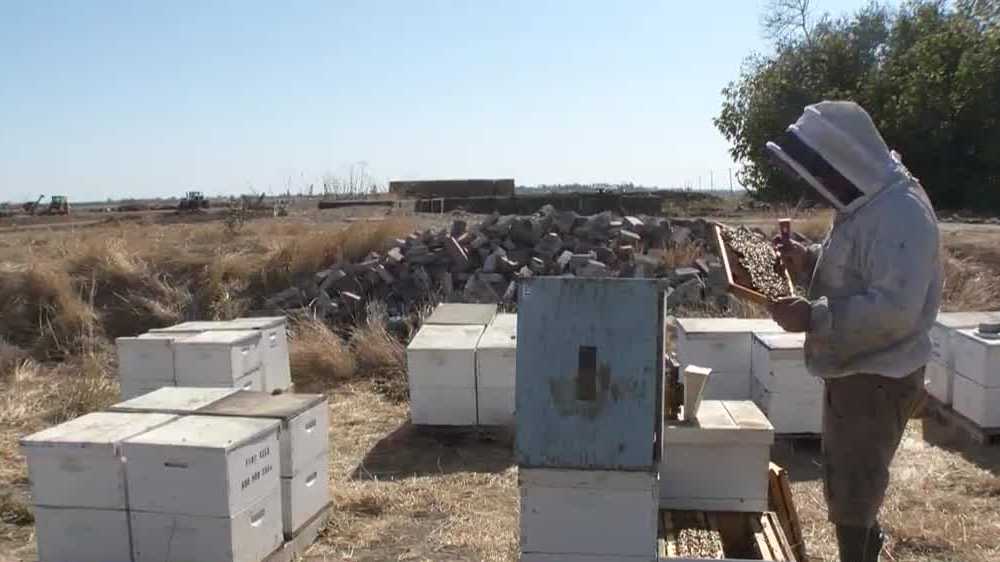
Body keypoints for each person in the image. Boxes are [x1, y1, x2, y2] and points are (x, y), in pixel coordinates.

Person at [764, 101, 943, 562]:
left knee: (853, 493)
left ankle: (858, 554)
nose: (819, 185)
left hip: (878, 377)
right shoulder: (871, 200)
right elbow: (855, 262)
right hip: (859, 370)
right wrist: (807, 258)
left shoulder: (901, 213)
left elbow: (894, 311)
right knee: (851, 479)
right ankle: (865, 544)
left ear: (843, 159)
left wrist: (814, 317)